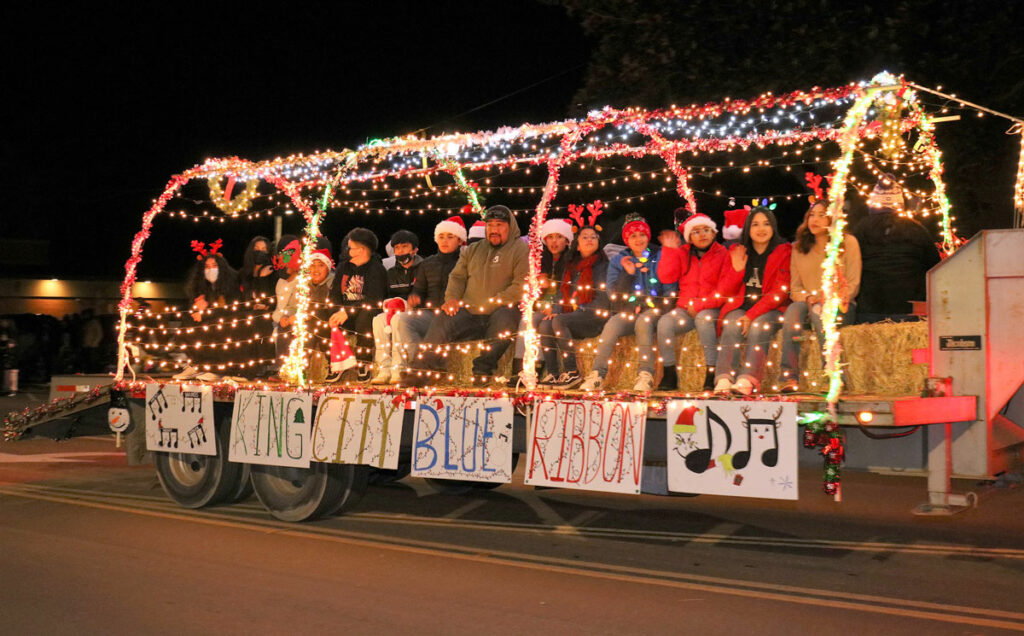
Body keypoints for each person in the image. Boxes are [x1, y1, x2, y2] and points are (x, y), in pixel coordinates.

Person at [403, 205, 528, 385]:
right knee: (443, 317)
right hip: (470, 312)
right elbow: (457, 277)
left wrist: (492, 303)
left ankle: (483, 370)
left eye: (499, 225)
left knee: (506, 320)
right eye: (490, 225)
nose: (493, 230)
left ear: (511, 227)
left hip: (501, 310)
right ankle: (423, 370)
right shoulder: (473, 249)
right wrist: (452, 299)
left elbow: (520, 285)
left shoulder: (520, 250)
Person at [580, 213, 676, 392]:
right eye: (633, 235)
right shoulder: (619, 259)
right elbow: (613, 295)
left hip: (655, 310)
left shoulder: (659, 255)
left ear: (648, 235)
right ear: (626, 239)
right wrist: (628, 274)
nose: (638, 239)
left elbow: (670, 288)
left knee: (643, 322)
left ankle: (646, 374)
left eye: (641, 234)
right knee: (612, 325)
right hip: (629, 309)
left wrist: (654, 306)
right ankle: (597, 374)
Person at [777, 200, 862, 392]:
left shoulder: (848, 243)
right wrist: (808, 298)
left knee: (819, 311)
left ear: (833, 217)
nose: (815, 219)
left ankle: (832, 374)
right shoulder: (799, 247)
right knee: (792, 311)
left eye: (821, 214)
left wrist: (830, 298)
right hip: (809, 302)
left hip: (840, 305)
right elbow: (795, 288)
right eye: (812, 215)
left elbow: (853, 284)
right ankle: (788, 377)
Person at [713, 206, 792, 396]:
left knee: (759, 326)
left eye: (766, 224)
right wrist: (737, 270)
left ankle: (748, 379)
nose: (761, 228)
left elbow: (780, 292)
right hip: (742, 306)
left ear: (773, 227)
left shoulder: (784, 251)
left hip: (772, 308)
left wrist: (751, 315)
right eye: (755, 224)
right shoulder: (737, 250)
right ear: (748, 228)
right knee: (731, 322)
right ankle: (724, 377)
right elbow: (724, 290)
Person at [655, 212, 729, 391]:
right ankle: (669, 372)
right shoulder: (683, 253)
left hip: (712, 307)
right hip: (686, 308)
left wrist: (701, 305)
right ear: (688, 237)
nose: (702, 234)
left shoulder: (723, 253)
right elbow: (666, 277)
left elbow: (725, 290)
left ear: (713, 233)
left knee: (703, 320)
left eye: (706, 230)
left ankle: (712, 371)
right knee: (664, 323)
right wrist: (669, 250)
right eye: (696, 232)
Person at [388, 216, 466, 384]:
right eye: (441, 236)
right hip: (430, 314)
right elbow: (419, 289)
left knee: (440, 325)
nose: (445, 241)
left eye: (450, 237)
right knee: (403, 320)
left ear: (460, 241)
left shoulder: (465, 262)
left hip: (455, 316)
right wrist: (415, 297)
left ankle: (427, 368)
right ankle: (417, 366)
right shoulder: (428, 264)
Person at [852, 175, 940, 322]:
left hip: (869, 308)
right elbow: (934, 267)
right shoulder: (917, 229)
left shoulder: (861, 229)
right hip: (910, 308)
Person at [537, 225, 609, 388]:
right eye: (585, 237)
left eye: (593, 237)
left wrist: (576, 312)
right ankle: (553, 373)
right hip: (573, 315)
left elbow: (603, 299)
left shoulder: (603, 266)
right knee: (545, 323)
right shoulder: (571, 266)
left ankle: (572, 373)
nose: (590, 240)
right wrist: (555, 311)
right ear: (577, 243)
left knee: (559, 322)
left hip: (593, 315)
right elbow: (561, 294)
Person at [507, 217, 574, 384]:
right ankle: (521, 370)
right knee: (527, 321)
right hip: (544, 306)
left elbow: (570, 290)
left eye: (559, 237)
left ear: (566, 240)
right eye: (550, 237)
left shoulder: (571, 261)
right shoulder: (541, 260)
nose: (554, 241)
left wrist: (555, 308)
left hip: (564, 307)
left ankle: (537, 368)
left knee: (542, 322)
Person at [327, 228, 388, 381]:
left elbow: (373, 300)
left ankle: (363, 362)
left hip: (364, 314)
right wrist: (336, 311)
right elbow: (334, 294)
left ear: (361, 250)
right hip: (344, 313)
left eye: (351, 247)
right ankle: (335, 363)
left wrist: (347, 312)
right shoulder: (343, 267)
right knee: (322, 316)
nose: (348, 250)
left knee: (365, 316)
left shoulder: (376, 269)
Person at [175, 239, 240, 380]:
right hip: (206, 320)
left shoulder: (231, 284)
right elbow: (195, 306)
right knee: (186, 323)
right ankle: (195, 365)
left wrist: (205, 313)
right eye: (207, 266)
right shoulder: (201, 287)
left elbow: (229, 309)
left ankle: (216, 369)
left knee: (213, 329)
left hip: (227, 323)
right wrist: (197, 309)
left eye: (214, 265)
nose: (211, 269)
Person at [371, 230, 423, 383]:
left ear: (414, 249)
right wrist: (388, 303)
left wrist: (409, 303)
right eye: (397, 248)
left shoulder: (424, 267)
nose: (400, 251)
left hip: (415, 312)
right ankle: (384, 369)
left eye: (405, 247)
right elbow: (386, 294)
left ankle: (398, 369)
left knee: (398, 320)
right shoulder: (391, 272)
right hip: (394, 309)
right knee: (378, 320)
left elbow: (424, 293)